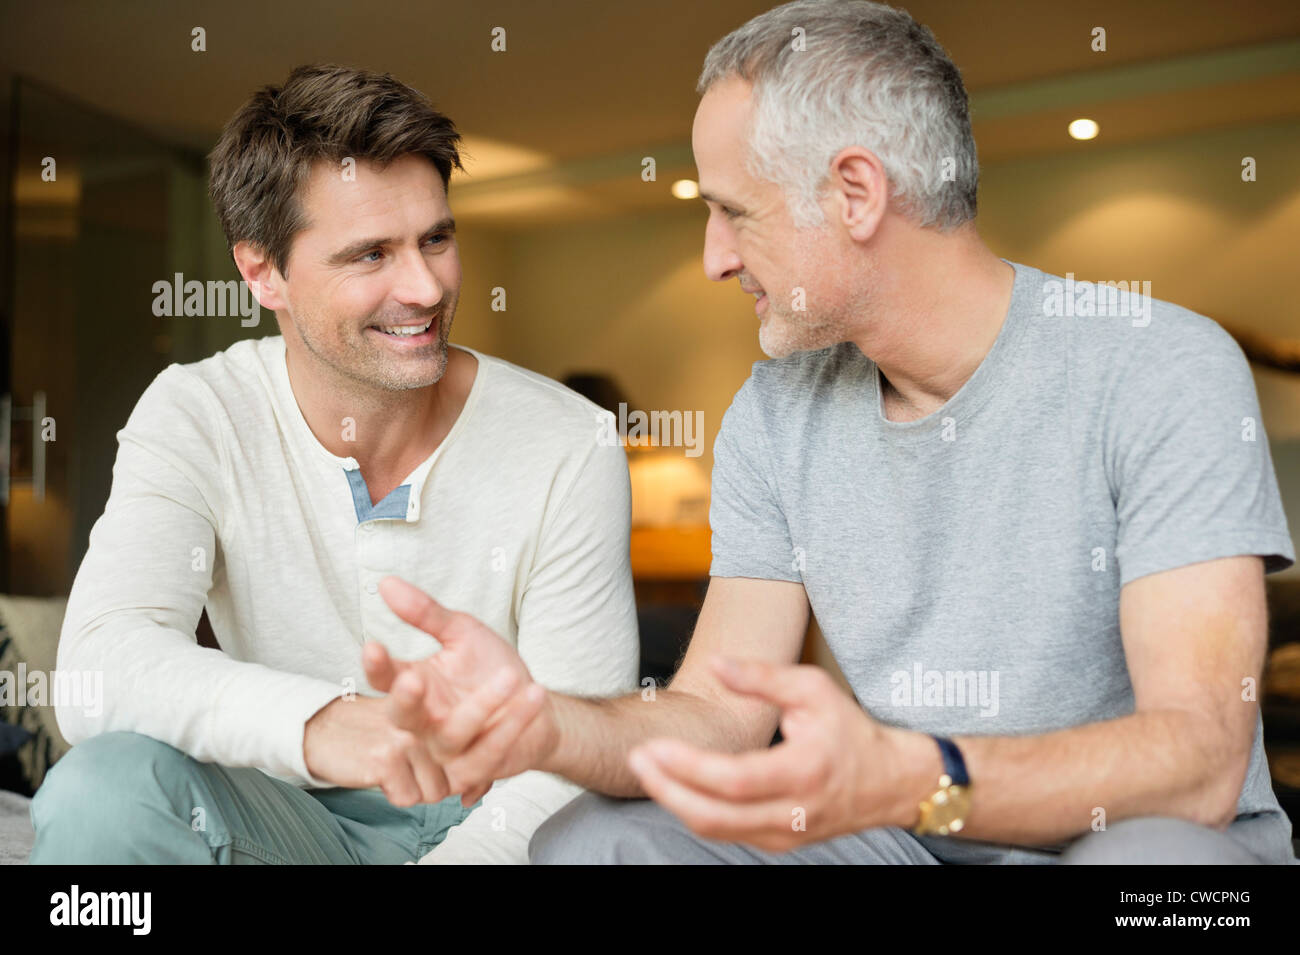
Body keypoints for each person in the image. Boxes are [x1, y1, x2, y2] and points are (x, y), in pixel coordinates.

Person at [373, 0, 1297, 864]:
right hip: (903, 838)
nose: (713, 258)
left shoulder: (1161, 365)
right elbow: (715, 713)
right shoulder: (776, 411)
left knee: (1164, 864)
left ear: (856, 192)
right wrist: (548, 726)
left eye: (733, 210)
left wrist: (904, 775)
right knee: (598, 839)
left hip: (1141, 841)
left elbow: (1198, 759)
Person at [29, 64, 638, 865]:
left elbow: (580, 750)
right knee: (99, 790)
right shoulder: (197, 413)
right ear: (263, 272)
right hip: (282, 804)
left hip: (500, 818)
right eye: (371, 254)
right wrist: (324, 724)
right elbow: (102, 665)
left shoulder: (570, 440)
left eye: (437, 239)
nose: (423, 287)